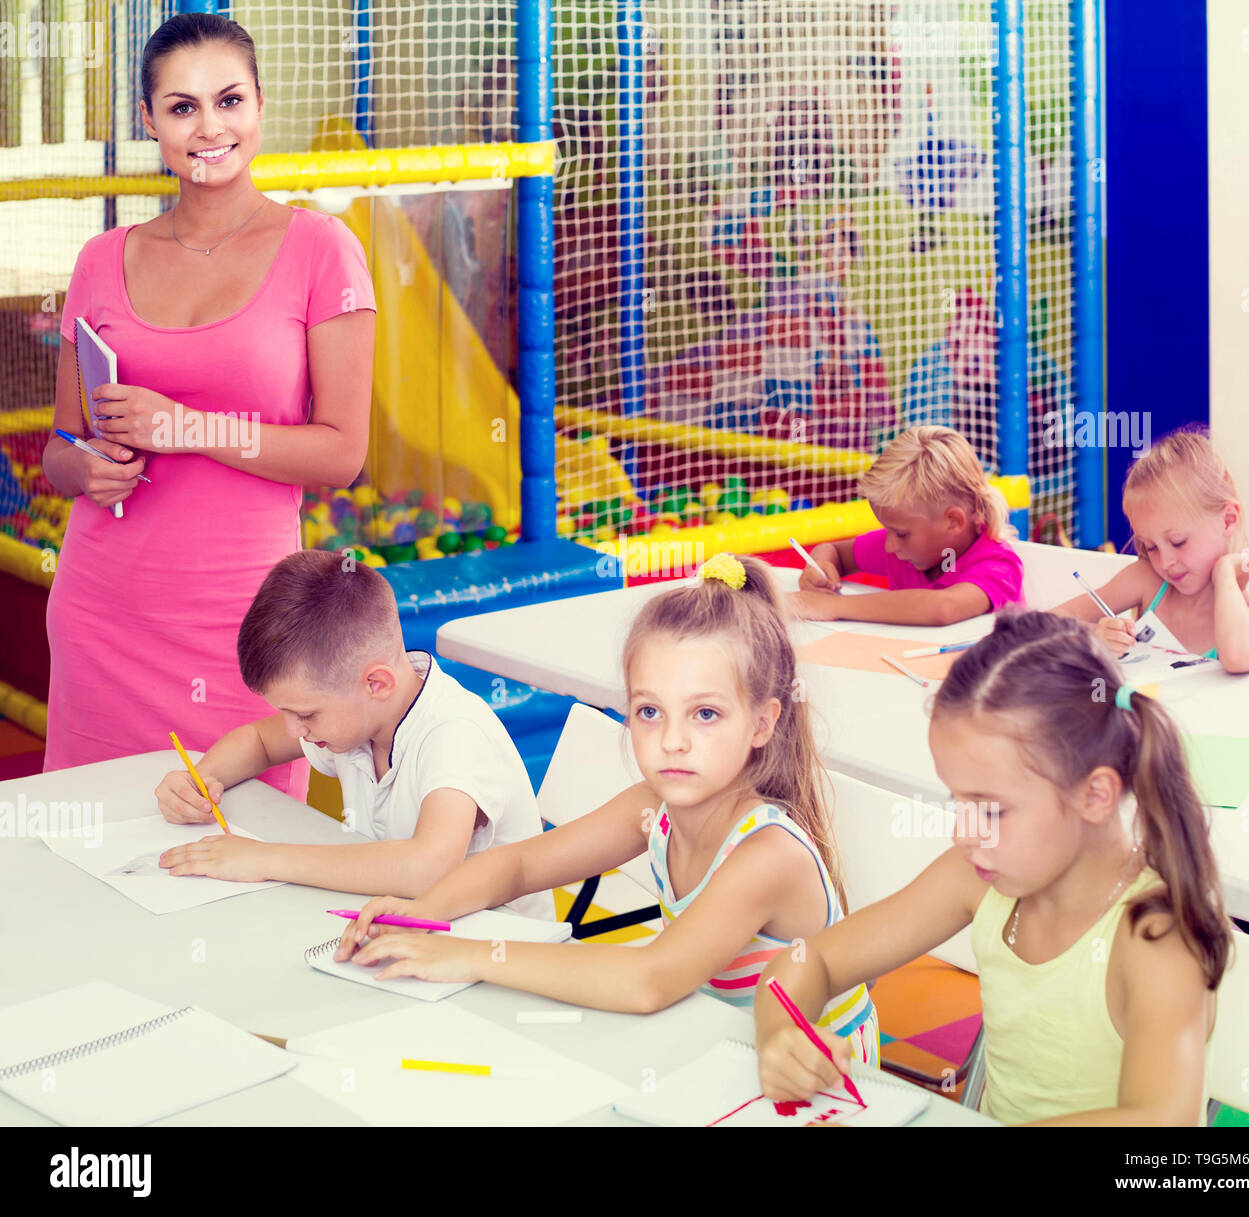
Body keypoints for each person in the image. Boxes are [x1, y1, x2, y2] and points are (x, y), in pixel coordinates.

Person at [331, 554, 879, 1061]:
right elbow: (519, 865)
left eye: (705, 714)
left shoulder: (766, 855)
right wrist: (421, 912)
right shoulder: (654, 807)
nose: (673, 741)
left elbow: (650, 980)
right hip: (712, 1042)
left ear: (762, 723)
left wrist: (469, 955)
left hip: (819, 1079)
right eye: (649, 711)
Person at [42, 12, 376, 797]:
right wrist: (84, 468)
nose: (209, 127)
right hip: (101, 610)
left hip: (245, 624)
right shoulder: (101, 260)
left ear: (260, 104)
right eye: (183, 107)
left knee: (242, 858)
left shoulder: (322, 250)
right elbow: (62, 445)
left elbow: (342, 453)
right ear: (150, 121)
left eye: (228, 100)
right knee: (91, 870)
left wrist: (185, 428)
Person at [755, 610, 1231, 1125]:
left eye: (991, 808)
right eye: (958, 802)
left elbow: (1163, 1122)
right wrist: (781, 1036)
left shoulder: (1157, 940)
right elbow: (809, 962)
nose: (963, 831)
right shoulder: (977, 878)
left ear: (1095, 795)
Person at [153, 551, 550, 916]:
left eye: (305, 713)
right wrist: (201, 780)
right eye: (287, 714)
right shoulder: (358, 712)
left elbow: (427, 868)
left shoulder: (454, 735)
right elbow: (258, 741)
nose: (295, 730)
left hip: (495, 949)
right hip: (409, 927)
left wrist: (264, 859)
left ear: (376, 684)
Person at [1054, 429, 1249, 674]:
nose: (1165, 561)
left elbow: (1239, 659)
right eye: (1151, 547)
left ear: (1228, 521)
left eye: (1178, 542)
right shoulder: (1147, 581)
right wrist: (1093, 634)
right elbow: (1048, 621)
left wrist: (1224, 574)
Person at [791, 425, 1022, 626]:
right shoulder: (904, 551)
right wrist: (819, 567)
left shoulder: (998, 564)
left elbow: (943, 608)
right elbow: (833, 551)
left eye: (901, 533)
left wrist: (832, 607)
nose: (890, 546)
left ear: (953, 522)